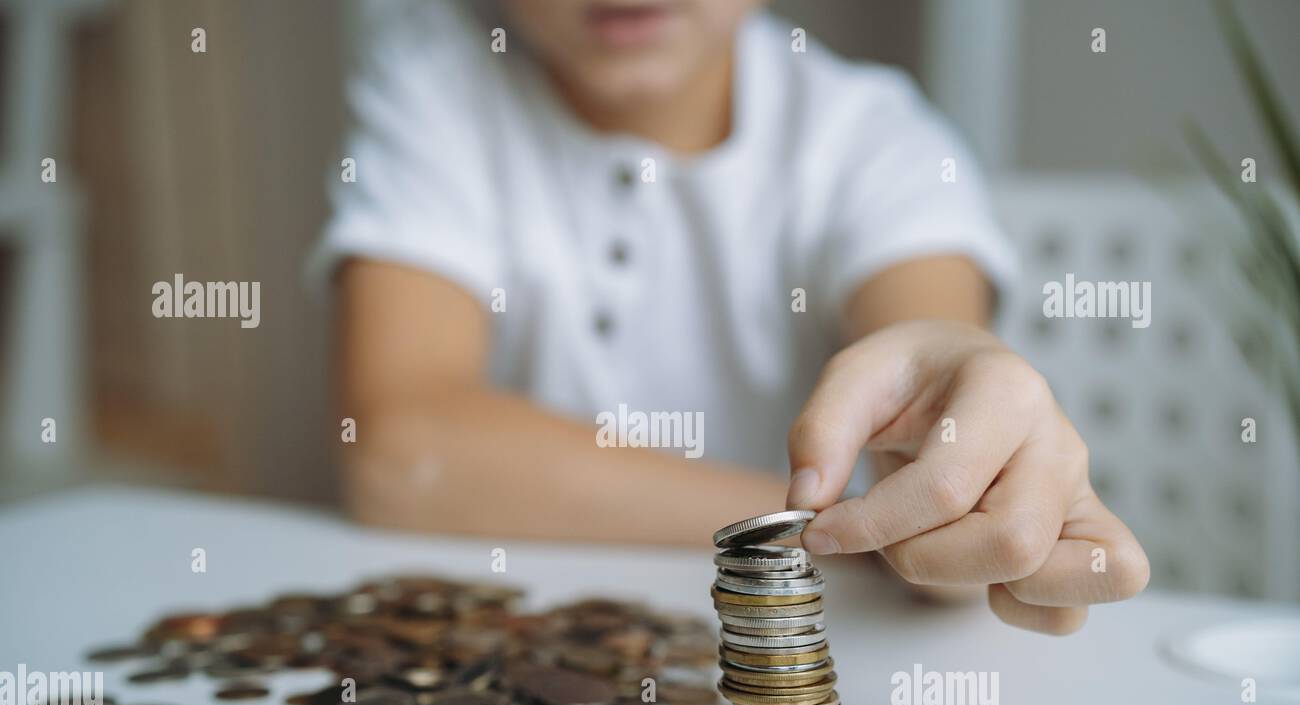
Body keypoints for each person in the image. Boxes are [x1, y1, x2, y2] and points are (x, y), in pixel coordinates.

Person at [309, 0, 1149, 635]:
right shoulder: (433, 99)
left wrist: (969, 442)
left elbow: (940, 380)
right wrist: (843, 529)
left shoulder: (873, 137)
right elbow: (400, 450)